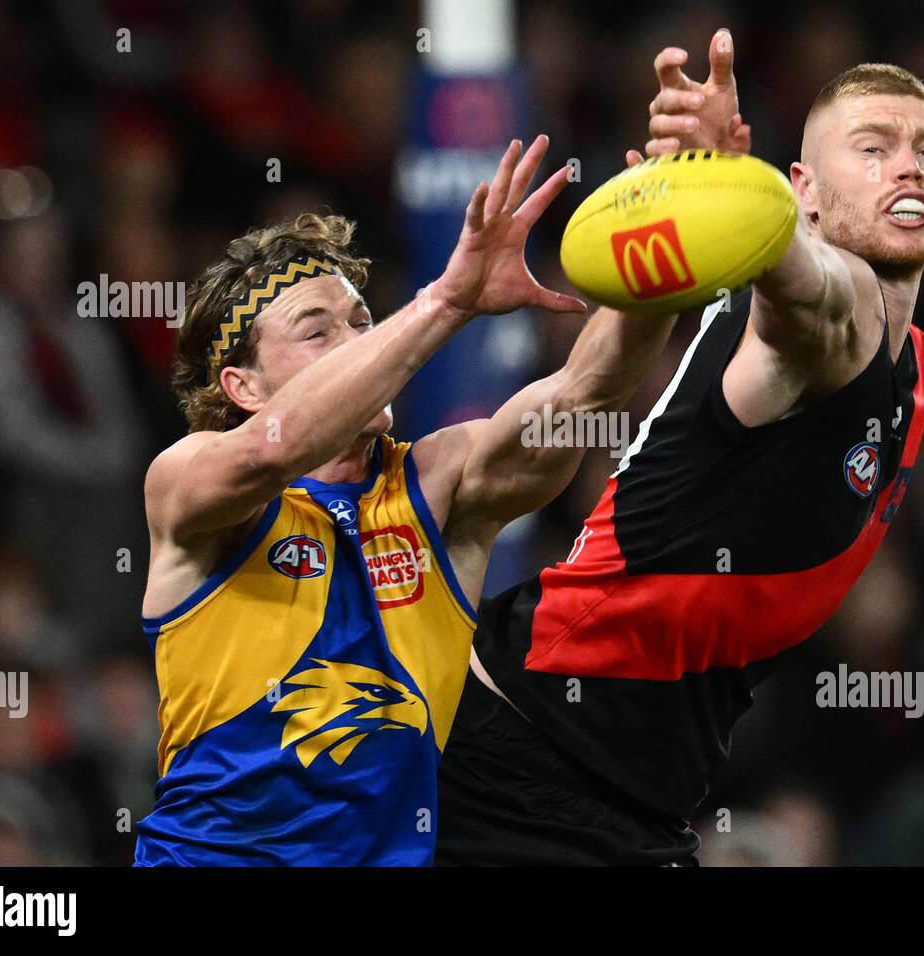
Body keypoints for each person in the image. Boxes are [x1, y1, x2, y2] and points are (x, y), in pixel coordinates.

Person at [436, 31, 924, 865]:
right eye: (874, 148)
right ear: (805, 195)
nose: (910, 167)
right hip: (520, 758)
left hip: (626, 798)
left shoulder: (917, 364)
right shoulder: (832, 312)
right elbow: (804, 291)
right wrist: (730, 191)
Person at [133, 136, 677, 865]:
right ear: (243, 388)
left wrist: (663, 253)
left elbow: (586, 392)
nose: (359, 342)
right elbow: (271, 449)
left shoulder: (439, 481)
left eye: (361, 321)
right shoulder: (189, 481)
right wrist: (449, 301)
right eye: (316, 331)